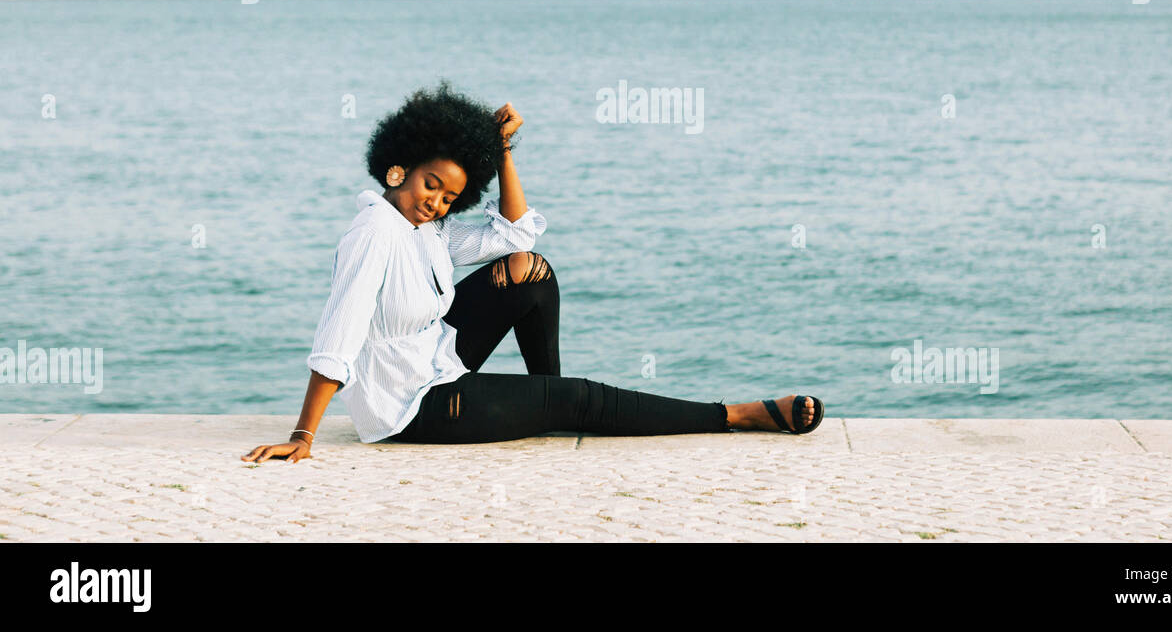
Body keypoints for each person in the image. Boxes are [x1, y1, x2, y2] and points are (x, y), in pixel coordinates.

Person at [242, 82, 823, 463]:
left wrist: (503, 151)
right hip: (411, 403)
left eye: (450, 196)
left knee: (531, 271)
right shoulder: (374, 232)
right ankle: (736, 416)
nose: (437, 202)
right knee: (576, 397)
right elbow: (339, 332)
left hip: (434, 355)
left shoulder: (426, 230)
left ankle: (550, 399)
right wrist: (304, 435)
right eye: (429, 185)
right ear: (397, 170)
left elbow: (516, 235)